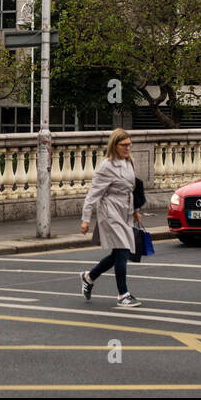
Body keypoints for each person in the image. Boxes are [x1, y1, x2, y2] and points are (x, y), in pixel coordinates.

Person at [79, 128, 143, 308]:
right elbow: (93, 193)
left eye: (129, 144)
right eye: (124, 145)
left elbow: (132, 188)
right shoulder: (107, 166)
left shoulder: (129, 162)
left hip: (125, 210)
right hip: (110, 211)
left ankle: (89, 276)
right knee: (122, 249)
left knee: (118, 253)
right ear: (114, 145)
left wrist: (136, 209)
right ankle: (123, 294)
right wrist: (86, 219)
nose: (128, 148)